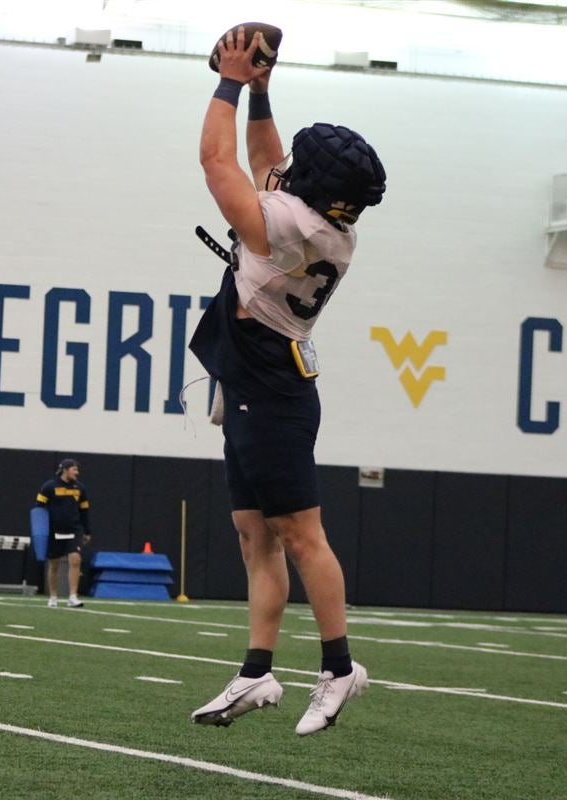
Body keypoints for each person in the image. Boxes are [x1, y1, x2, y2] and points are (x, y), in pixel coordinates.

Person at [186, 28, 385, 736]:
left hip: (269, 384)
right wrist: (265, 92)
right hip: (256, 372)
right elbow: (271, 165)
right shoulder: (328, 223)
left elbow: (218, 161)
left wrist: (232, 80)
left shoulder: (288, 228)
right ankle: (256, 670)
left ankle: (339, 666)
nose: (289, 165)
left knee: (301, 535)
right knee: (254, 535)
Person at [34, 458, 91, 608]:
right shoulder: (49, 486)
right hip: (55, 531)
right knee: (54, 565)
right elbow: (38, 509)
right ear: (65, 470)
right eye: (74, 469)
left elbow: (84, 510)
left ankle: (73, 596)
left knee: (75, 559)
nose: (77, 473)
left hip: (74, 529)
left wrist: (87, 531)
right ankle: (53, 597)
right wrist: (40, 532)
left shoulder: (80, 488)